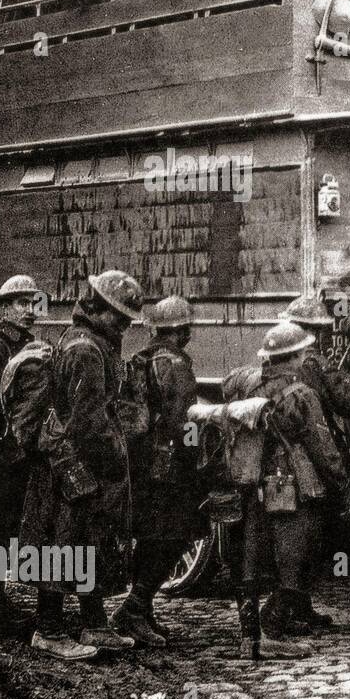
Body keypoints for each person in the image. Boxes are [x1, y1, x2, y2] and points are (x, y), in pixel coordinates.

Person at [23, 271, 145, 658]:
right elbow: (88, 421)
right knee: (61, 545)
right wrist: (115, 458)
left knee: (86, 544)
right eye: (120, 316)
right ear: (100, 308)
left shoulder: (93, 343)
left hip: (79, 463)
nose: (125, 324)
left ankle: (94, 625)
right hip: (71, 466)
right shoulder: (85, 350)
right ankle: (49, 631)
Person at [239, 321, 350, 650]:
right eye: (303, 352)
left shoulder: (252, 389)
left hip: (253, 485)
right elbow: (323, 448)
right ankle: (271, 634)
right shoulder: (302, 394)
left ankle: (249, 638)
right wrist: (343, 490)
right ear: (294, 357)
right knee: (297, 560)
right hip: (292, 489)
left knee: (252, 561)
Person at [109, 296, 203, 646]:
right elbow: (183, 421)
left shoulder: (142, 357)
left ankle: (142, 607)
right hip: (170, 465)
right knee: (173, 535)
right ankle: (134, 609)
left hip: (141, 462)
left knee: (152, 534)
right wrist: (198, 453)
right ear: (181, 330)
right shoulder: (176, 363)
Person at [279, 293, 350, 628]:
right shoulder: (315, 365)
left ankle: (299, 609)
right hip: (311, 464)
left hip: (284, 465)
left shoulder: (277, 363)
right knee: (312, 538)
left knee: (294, 539)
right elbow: (346, 403)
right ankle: (284, 615)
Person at [0, 275, 44, 635]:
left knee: (8, 526)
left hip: (15, 452)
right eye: (20, 303)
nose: (29, 310)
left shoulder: (27, 344)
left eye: (32, 303)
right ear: (3, 309)